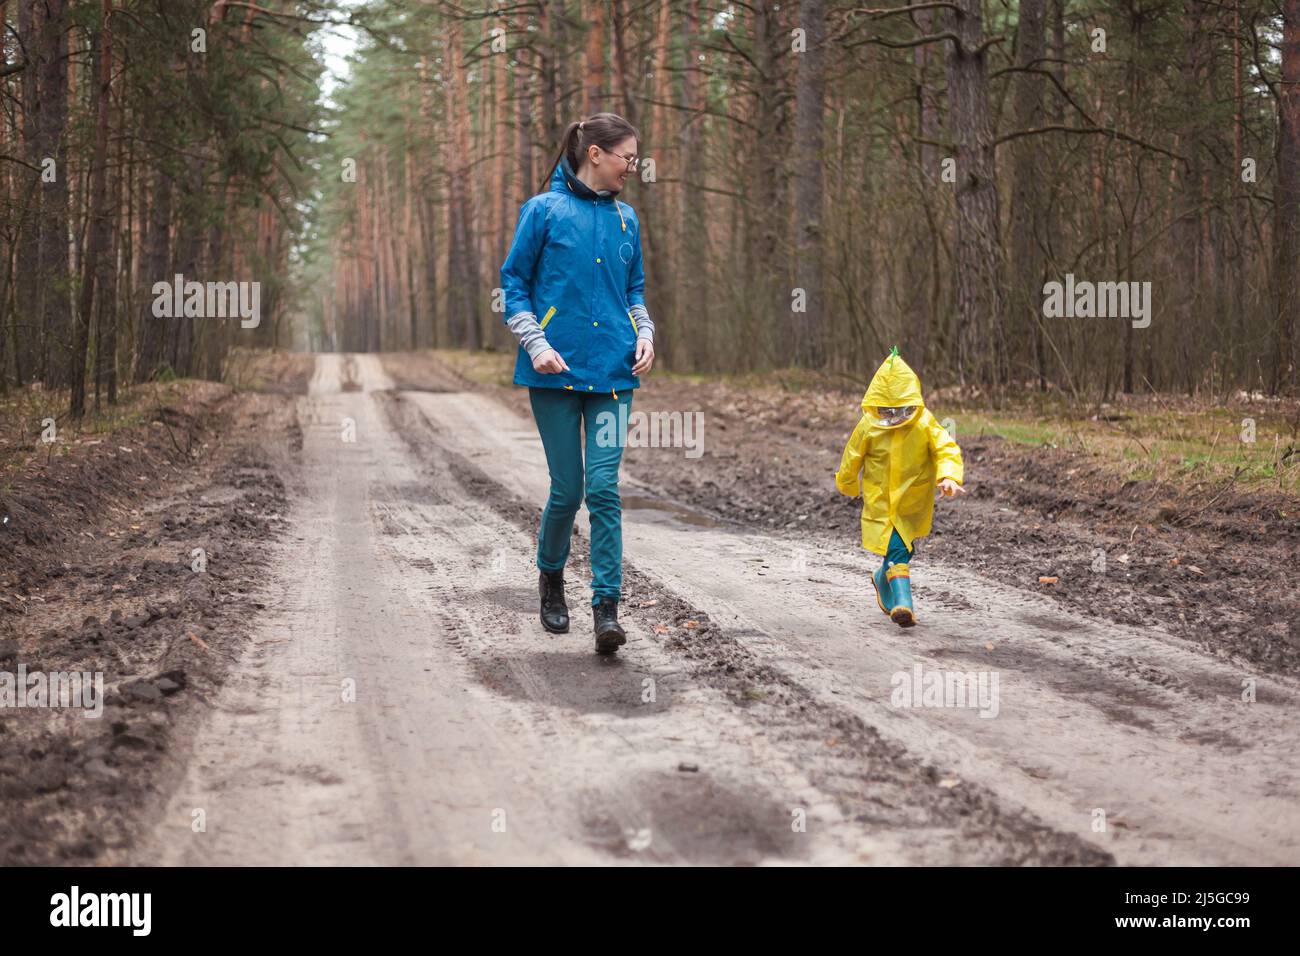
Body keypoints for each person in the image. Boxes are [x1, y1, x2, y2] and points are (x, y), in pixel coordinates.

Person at [499, 112, 655, 655]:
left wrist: (646, 336)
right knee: (567, 489)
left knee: (605, 489)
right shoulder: (542, 212)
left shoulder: (628, 220)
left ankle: (606, 609)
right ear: (595, 154)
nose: (632, 168)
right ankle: (551, 580)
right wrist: (536, 345)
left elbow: (634, 291)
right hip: (554, 373)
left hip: (614, 374)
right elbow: (513, 284)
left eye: (634, 160)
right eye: (626, 158)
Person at [834, 348, 965, 627]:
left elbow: (946, 448)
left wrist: (950, 476)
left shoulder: (924, 423)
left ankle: (882, 578)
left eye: (899, 410)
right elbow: (852, 456)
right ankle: (904, 604)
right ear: (877, 405)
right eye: (887, 411)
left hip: (912, 500)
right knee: (896, 548)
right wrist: (846, 483)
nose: (893, 418)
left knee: (904, 549)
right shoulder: (868, 426)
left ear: (911, 404)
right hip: (880, 500)